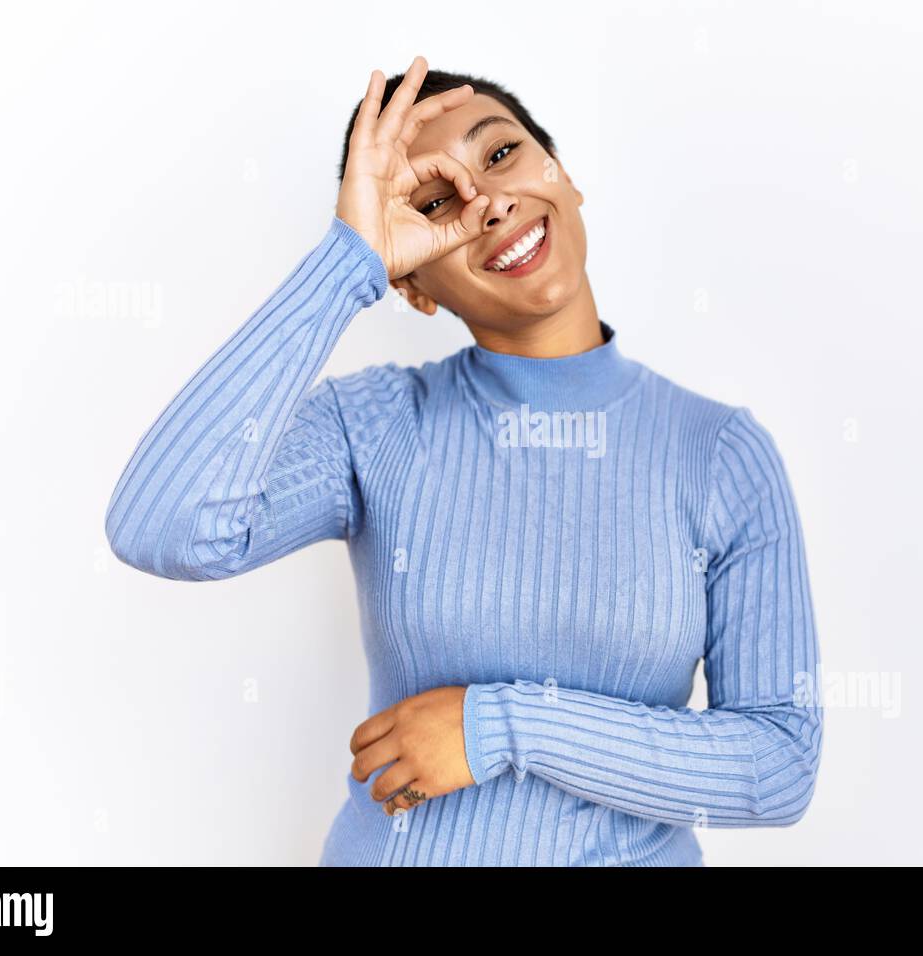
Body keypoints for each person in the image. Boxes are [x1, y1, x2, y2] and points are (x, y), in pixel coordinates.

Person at [104, 55, 823, 866]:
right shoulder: (372, 426)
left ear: (566, 176)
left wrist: (500, 728)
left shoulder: (721, 455)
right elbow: (160, 525)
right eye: (437, 203)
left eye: (503, 154)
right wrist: (346, 263)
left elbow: (777, 762)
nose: (488, 203)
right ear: (412, 286)